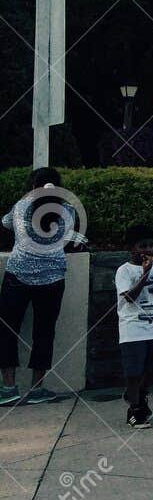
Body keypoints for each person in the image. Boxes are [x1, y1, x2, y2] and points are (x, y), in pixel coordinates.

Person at [0, 167, 85, 405]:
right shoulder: (68, 209)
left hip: (18, 275)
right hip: (53, 279)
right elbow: (68, 237)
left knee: (7, 329)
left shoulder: (21, 206)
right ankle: (37, 389)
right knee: (44, 332)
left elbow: (5, 224)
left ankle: (9, 388)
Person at [115, 224, 153, 429]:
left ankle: (138, 394)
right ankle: (134, 410)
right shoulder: (124, 271)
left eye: (151, 246)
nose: (148, 250)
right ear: (131, 248)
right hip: (133, 325)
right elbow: (129, 297)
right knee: (134, 370)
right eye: (142, 245)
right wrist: (144, 275)